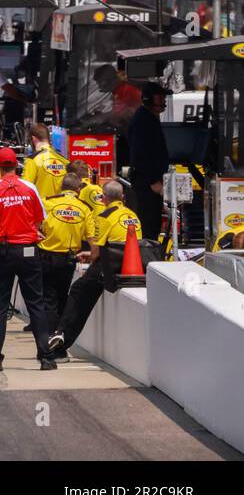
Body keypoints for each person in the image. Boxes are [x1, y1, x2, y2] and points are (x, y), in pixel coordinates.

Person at [0, 147, 55, 371]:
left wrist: (1, 239)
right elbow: (40, 221)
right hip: (28, 250)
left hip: (2, 250)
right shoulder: (29, 187)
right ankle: (46, 357)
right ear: (16, 166)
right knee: (36, 303)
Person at [47, 181, 143, 360]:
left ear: (104, 198)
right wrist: (90, 255)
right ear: (122, 197)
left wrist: (90, 256)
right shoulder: (133, 215)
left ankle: (61, 337)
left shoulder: (104, 216)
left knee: (78, 291)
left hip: (110, 267)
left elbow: (97, 251)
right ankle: (60, 336)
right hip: (134, 265)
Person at [38, 174, 93, 333]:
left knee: (48, 298)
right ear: (78, 189)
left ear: (61, 187)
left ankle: (48, 339)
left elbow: (31, 222)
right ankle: (58, 338)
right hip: (69, 258)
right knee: (63, 296)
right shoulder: (84, 207)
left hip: (46, 255)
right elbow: (91, 238)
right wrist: (95, 256)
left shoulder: (47, 201)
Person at [126, 82, 170, 245]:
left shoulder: (149, 118)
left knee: (154, 223)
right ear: (148, 99)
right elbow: (141, 154)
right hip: (147, 183)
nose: (163, 101)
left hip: (151, 181)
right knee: (149, 224)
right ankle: (148, 257)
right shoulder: (142, 120)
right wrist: (152, 181)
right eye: (160, 97)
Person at [22, 123, 69, 199]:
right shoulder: (64, 160)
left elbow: (25, 188)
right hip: (59, 208)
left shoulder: (33, 160)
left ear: (33, 138)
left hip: (41, 208)